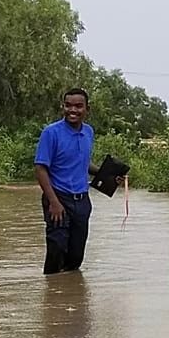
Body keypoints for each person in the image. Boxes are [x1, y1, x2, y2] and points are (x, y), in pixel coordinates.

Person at [33, 87, 101, 274]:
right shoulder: (51, 133)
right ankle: (52, 288)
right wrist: (53, 202)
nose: (73, 110)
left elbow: (83, 162)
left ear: (87, 109)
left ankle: (68, 290)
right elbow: (40, 168)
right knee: (56, 250)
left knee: (75, 256)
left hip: (82, 201)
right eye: (68, 105)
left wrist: (106, 175)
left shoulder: (88, 132)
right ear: (62, 106)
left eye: (78, 106)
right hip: (58, 198)